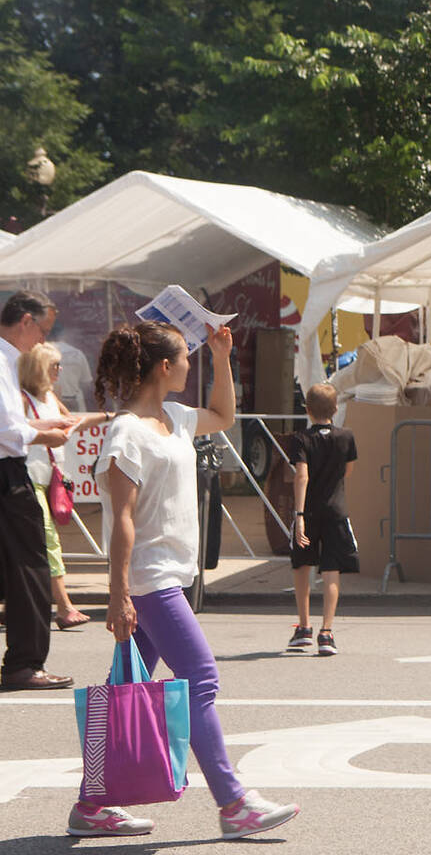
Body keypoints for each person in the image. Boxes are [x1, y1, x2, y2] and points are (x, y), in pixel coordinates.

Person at [81, 321, 299, 838]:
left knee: (122, 692)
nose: (189, 364)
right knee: (200, 678)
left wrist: (223, 357)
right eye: (186, 358)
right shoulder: (127, 431)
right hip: (147, 581)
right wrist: (117, 595)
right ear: (163, 366)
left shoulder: (174, 417)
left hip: (167, 576)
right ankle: (233, 803)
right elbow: (123, 519)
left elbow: (223, 415)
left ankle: (90, 805)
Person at [0, 290, 77, 693]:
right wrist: (43, 434)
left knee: (23, 564)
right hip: (7, 473)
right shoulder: (3, 361)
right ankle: (25, 663)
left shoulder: (10, 363)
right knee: (30, 566)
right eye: (42, 332)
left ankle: (24, 662)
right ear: (26, 322)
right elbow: (8, 431)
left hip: (10, 466)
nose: (43, 344)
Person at [20, 341, 106, 631]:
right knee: (48, 541)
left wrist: (108, 417)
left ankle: (32, 603)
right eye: (54, 365)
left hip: (47, 477)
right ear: (40, 368)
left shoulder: (49, 396)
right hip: (27, 478)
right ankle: (64, 606)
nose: (59, 370)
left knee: (39, 542)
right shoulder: (21, 398)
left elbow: (72, 422)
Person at [286, 384, 357, 656]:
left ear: (307, 409)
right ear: (336, 408)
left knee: (302, 566)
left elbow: (301, 476)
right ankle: (326, 632)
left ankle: (304, 626)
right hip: (336, 509)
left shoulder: (301, 439)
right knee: (331, 570)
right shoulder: (346, 437)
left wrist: (299, 514)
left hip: (310, 511)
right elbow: (347, 471)